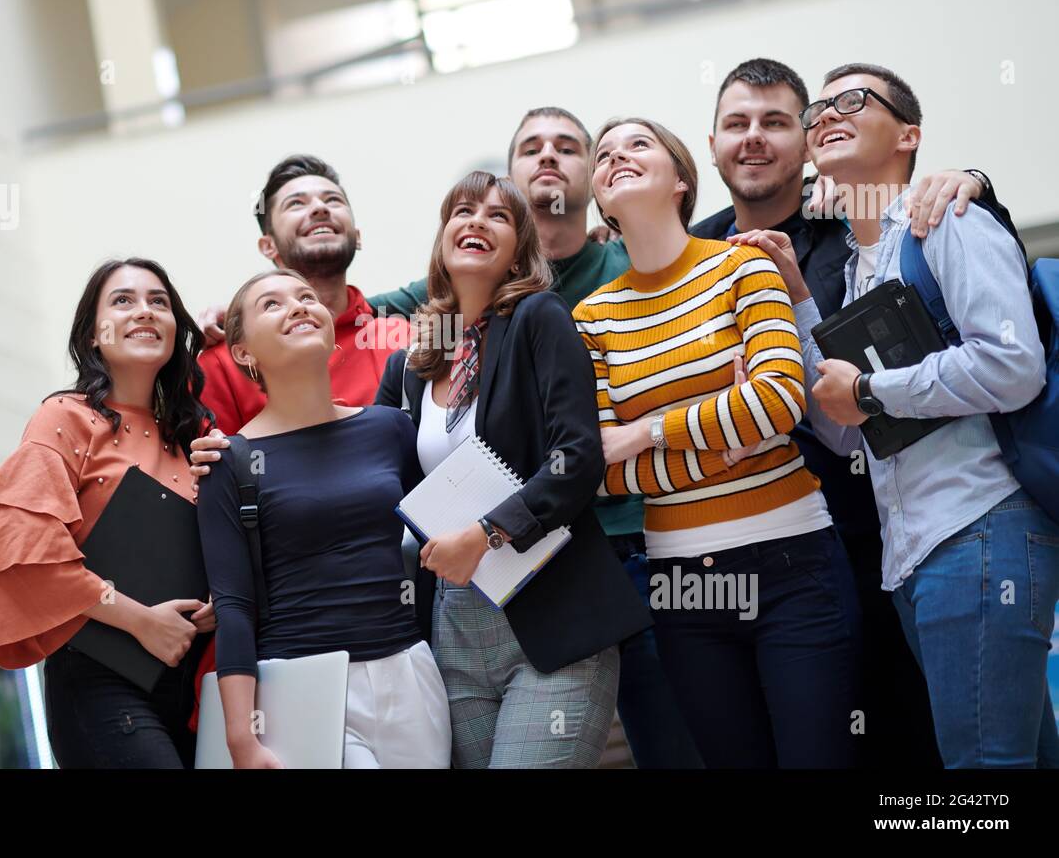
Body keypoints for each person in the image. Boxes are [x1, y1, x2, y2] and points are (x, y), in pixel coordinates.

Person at [735, 62, 1057, 768]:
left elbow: (1013, 365)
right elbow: (848, 429)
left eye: (854, 99)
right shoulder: (857, 266)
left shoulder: (947, 219)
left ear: (908, 133)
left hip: (979, 526)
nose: (827, 114)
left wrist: (876, 392)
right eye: (818, 109)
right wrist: (797, 299)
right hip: (914, 555)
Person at [369, 107, 702, 769]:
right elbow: (372, 473)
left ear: (520, 246)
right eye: (461, 212)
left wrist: (488, 531)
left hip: (554, 611)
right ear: (439, 240)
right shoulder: (412, 363)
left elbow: (577, 460)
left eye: (497, 216)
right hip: (455, 625)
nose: (475, 223)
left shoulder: (540, 320)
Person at [574, 118, 859, 768]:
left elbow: (784, 401)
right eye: (605, 154)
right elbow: (602, 471)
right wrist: (733, 436)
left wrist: (647, 432)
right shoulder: (591, 318)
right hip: (679, 584)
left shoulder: (744, 265)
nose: (617, 156)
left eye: (638, 144)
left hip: (794, 566)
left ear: (681, 179)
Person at [197, 269, 451, 769]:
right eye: (271, 304)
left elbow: (442, 539)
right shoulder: (226, 461)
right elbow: (233, 607)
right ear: (243, 351)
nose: (297, 306)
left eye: (306, 297)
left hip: (410, 671)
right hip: (302, 685)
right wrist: (240, 738)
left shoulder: (390, 428)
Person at [0, 258, 216, 768]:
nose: (144, 311)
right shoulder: (64, 418)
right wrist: (143, 622)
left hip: (189, 682)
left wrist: (217, 599)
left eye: (159, 302)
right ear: (92, 336)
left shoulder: (192, 433)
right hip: (97, 676)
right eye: (123, 301)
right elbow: (31, 553)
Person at [195, 154, 410, 437]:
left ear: (356, 235)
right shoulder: (222, 363)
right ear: (268, 245)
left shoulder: (402, 338)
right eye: (296, 203)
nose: (320, 208)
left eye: (333, 200)